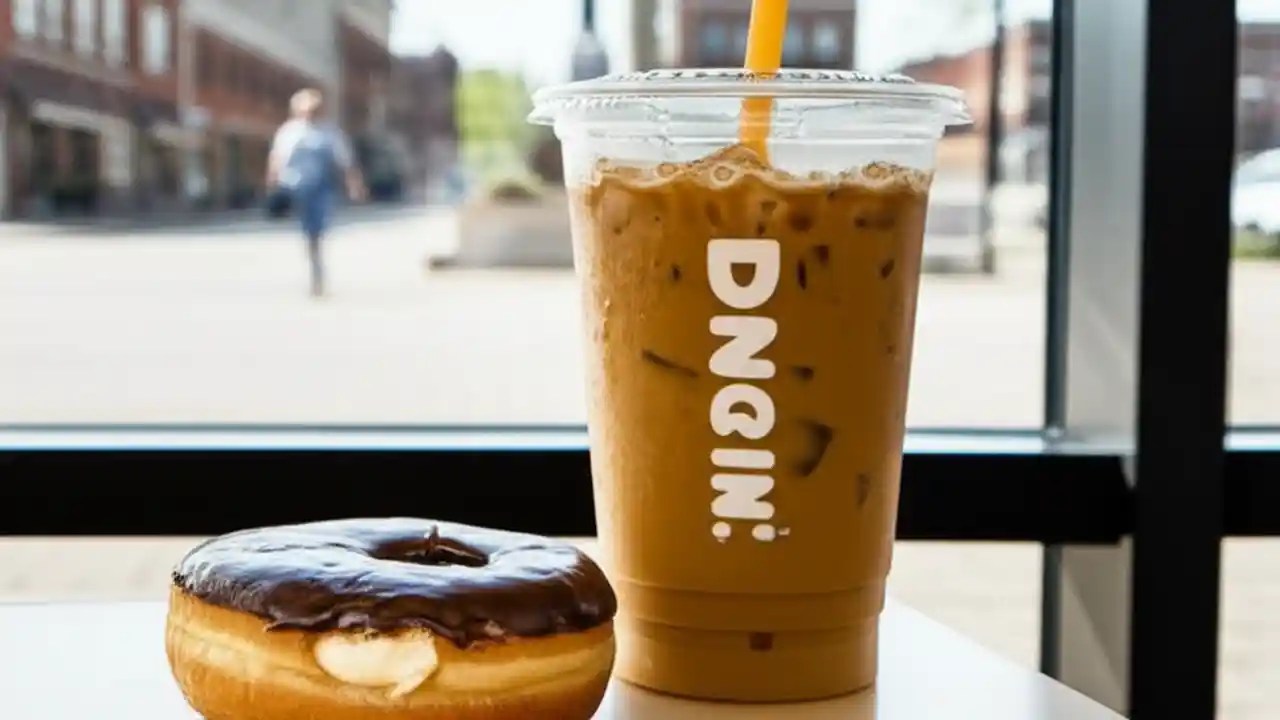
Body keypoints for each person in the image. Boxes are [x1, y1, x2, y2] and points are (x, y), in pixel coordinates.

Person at [266, 89, 366, 298]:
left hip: (320, 188)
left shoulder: (329, 133)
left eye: (314, 110)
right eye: (306, 110)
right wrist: (272, 183)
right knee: (308, 231)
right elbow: (277, 158)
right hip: (294, 187)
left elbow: (345, 161)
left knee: (316, 229)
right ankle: (314, 262)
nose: (310, 114)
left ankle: (317, 271)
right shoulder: (289, 132)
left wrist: (354, 185)